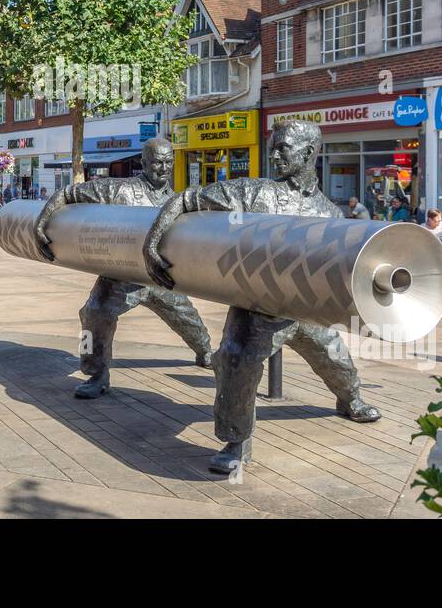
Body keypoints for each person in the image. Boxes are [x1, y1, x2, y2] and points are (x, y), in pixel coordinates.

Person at [143, 120, 380, 476]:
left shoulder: (331, 214)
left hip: (304, 309)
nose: (275, 153)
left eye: (283, 147)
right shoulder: (256, 194)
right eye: (274, 146)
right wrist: (152, 242)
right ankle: (237, 440)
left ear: (310, 152)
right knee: (235, 360)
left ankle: (351, 400)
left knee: (336, 361)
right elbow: (185, 199)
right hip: (257, 306)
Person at [35, 137, 213, 399]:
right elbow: (67, 194)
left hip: (158, 276)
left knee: (186, 317)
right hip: (121, 275)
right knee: (93, 313)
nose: (162, 169)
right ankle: (96, 374)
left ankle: (205, 351)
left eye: (167, 163)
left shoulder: (177, 201)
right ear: (143, 163)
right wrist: (41, 222)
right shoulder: (119, 190)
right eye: (156, 163)